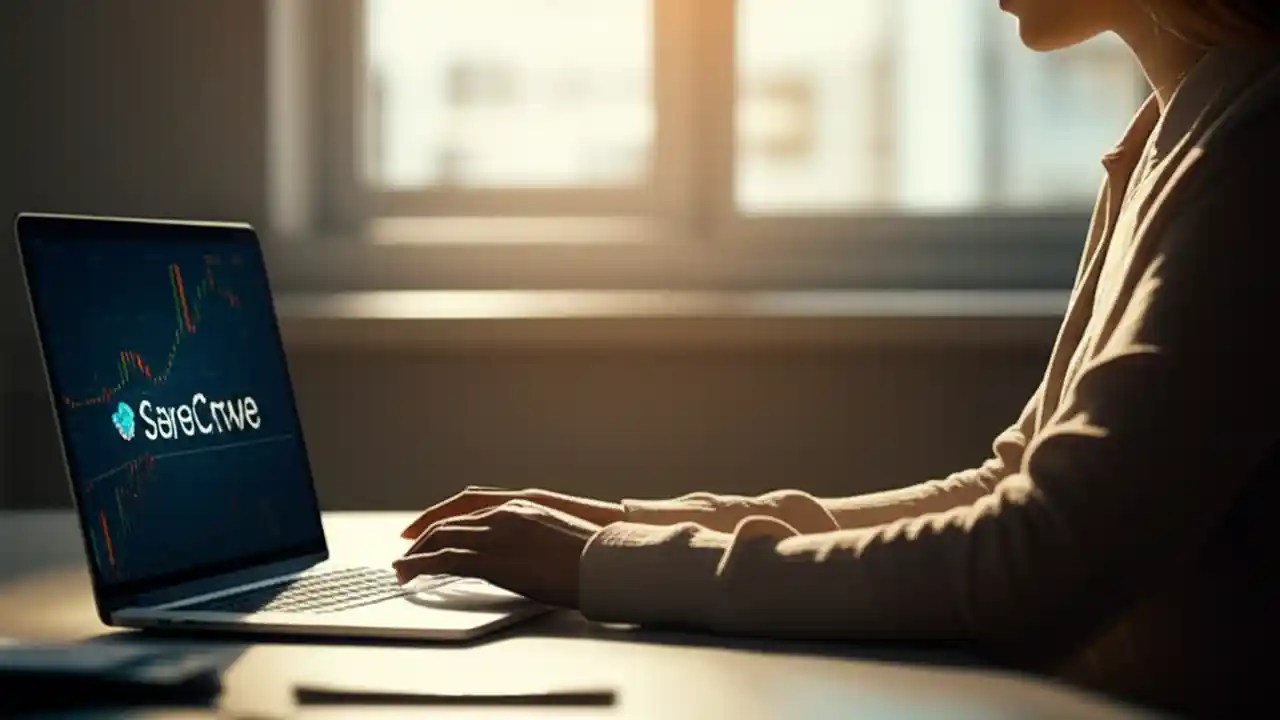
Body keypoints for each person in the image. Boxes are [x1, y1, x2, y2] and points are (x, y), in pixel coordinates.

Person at [394, 1, 1280, 715]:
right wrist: (619, 528)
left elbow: (1036, 554)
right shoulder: (1175, 130)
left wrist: (612, 564)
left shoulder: (1252, 143)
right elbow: (1010, 486)